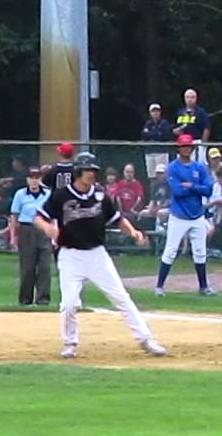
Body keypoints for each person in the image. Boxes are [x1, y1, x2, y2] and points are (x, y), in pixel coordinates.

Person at [35, 153, 167, 359]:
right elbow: (39, 217)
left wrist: (133, 233)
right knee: (69, 303)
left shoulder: (99, 195)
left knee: (121, 297)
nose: (91, 174)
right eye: (87, 170)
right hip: (70, 255)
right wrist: (48, 229)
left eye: (93, 171)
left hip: (97, 255)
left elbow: (117, 219)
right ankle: (70, 342)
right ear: (78, 172)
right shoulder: (61, 195)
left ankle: (146, 339)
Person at [156, 134, 218, 296]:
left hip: (197, 214)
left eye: (188, 146)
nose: (186, 149)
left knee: (200, 251)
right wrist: (196, 187)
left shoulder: (199, 167)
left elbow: (209, 189)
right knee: (170, 251)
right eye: (183, 146)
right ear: (179, 148)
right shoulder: (173, 167)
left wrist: (191, 186)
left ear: (192, 148)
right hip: (179, 215)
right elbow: (177, 191)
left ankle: (203, 287)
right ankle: (159, 286)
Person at [9, 166, 52, 305]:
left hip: (44, 229)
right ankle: (25, 299)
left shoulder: (47, 194)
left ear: (41, 179)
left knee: (45, 266)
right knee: (28, 267)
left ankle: (43, 299)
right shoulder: (20, 194)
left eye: (37, 178)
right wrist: (13, 235)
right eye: (31, 178)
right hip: (26, 229)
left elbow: (54, 215)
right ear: (27, 180)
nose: (34, 181)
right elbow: (14, 216)